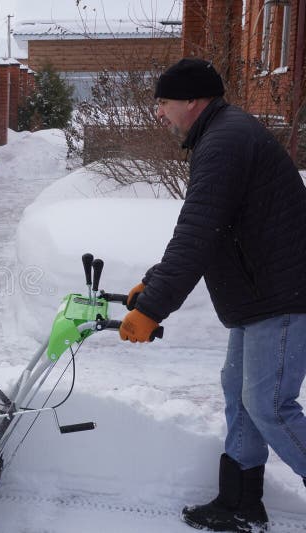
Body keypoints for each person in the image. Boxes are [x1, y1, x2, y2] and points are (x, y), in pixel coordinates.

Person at [118, 57, 306, 532]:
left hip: (281, 292)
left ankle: (242, 502)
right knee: (239, 393)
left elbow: (198, 231)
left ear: (191, 101)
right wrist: (154, 281)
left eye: (163, 103)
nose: (159, 113)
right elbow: (211, 225)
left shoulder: (224, 141)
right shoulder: (221, 135)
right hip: (260, 291)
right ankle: (240, 503)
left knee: (268, 404)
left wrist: (154, 306)